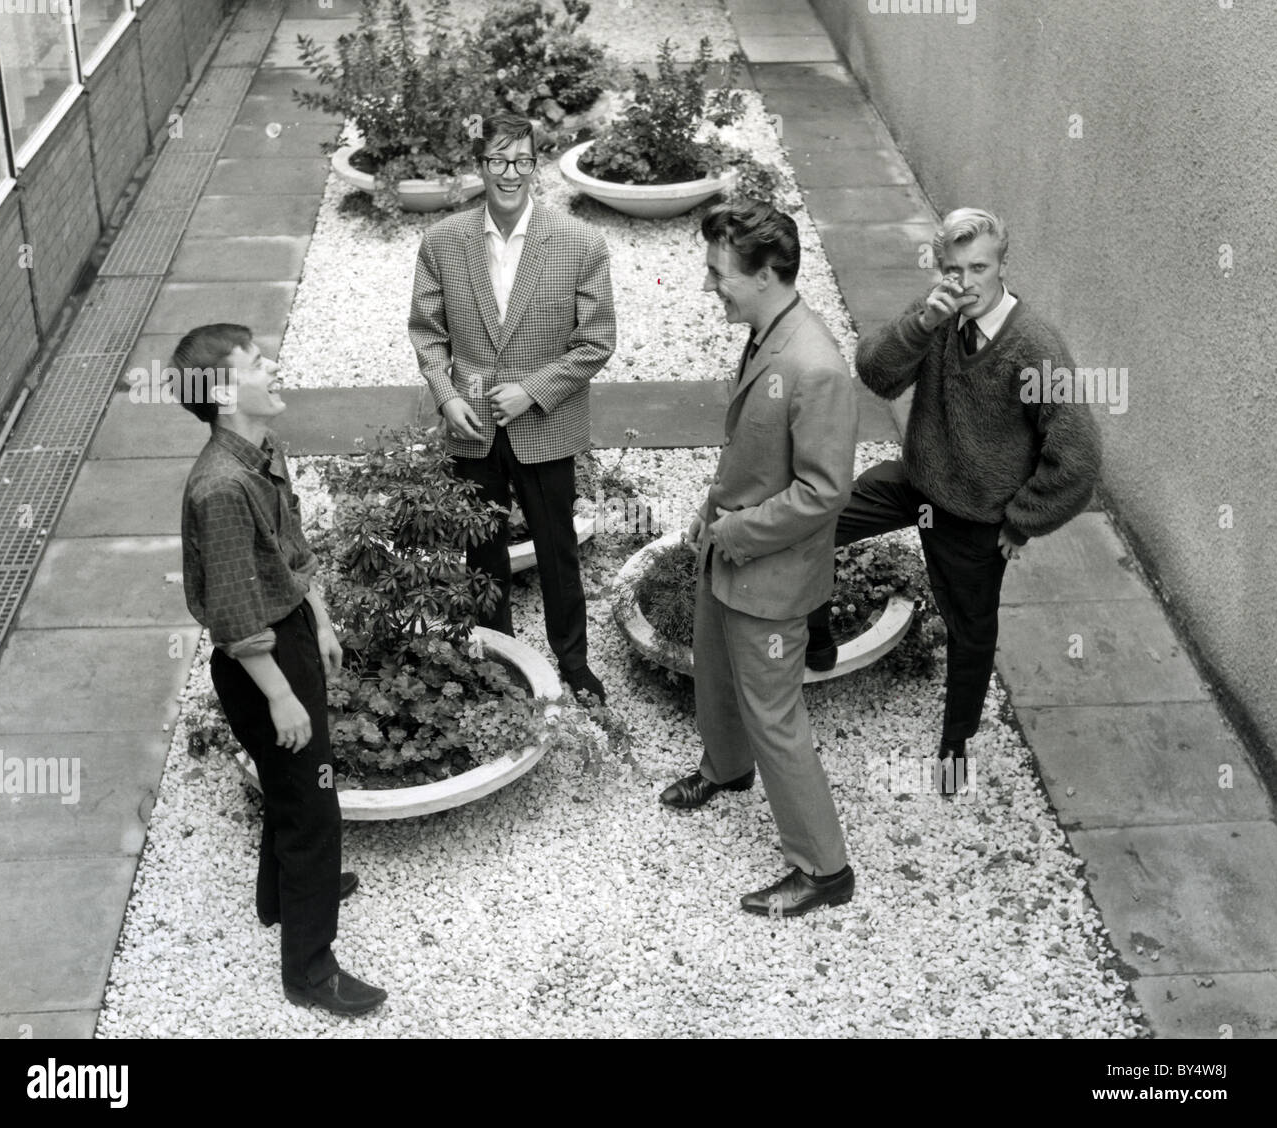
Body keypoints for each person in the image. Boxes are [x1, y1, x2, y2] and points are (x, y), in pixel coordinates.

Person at [805, 207, 1102, 794]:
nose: (965, 281)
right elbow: (876, 373)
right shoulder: (939, 313)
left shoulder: (1036, 346)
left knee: (971, 632)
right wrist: (921, 322)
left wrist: (1022, 521)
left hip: (976, 517)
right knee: (815, 523)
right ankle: (817, 642)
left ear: (1002, 266)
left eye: (978, 268)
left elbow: (1078, 457)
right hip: (917, 484)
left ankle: (953, 749)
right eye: (952, 268)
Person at [173, 324, 386, 1016]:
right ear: (227, 392)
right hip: (260, 663)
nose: (276, 368)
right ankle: (310, 970)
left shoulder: (263, 451)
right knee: (314, 807)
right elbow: (235, 619)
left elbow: (292, 549)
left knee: (291, 785)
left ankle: (280, 896)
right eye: (259, 363)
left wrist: (320, 619)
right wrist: (282, 699)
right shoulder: (221, 489)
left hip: (288, 637)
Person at [662, 200, 859, 918]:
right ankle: (726, 769)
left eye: (720, 273)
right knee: (714, 670)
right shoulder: (766, 333)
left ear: (769, 274)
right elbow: (754, 449)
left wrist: (737, 532)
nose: (710, 285)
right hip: (733, 551)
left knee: (776, 717)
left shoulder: (816, 368)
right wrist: (711, 513)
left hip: (768, 573)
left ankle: (824, 869)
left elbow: (824, 492)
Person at [408, 112, 617, 704]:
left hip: (546, 426)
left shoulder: (579, 241)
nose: (509, 173)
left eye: (522, 161)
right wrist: (446, 397)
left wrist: (533, 389)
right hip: (470, 425)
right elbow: (427, 333)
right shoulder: (443, 241)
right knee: (483, 554)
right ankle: (502, 661)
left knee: (557, 552)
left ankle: (573, 664)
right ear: (480, 166)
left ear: (536, 166)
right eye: (497, 161)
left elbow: (597, 340)